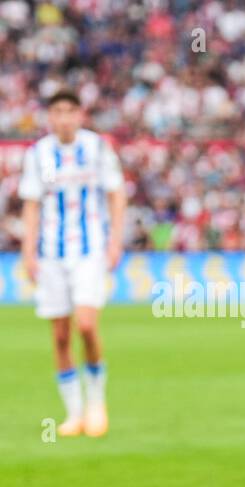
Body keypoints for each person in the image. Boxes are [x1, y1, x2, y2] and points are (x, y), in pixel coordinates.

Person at [19, 89, 125, 438]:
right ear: (50, 117)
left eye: (70, 110)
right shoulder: (39, 154)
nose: (64, 117)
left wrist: (115, 241)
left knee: (86, 325)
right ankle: (74, 413)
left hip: (89, 249)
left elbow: (115, 194)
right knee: (61, 335)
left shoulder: (96, 147)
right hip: (51, 252)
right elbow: (32, 204)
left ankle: (97, 404)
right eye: (58, 111)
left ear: (80, 115)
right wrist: (28, 250)